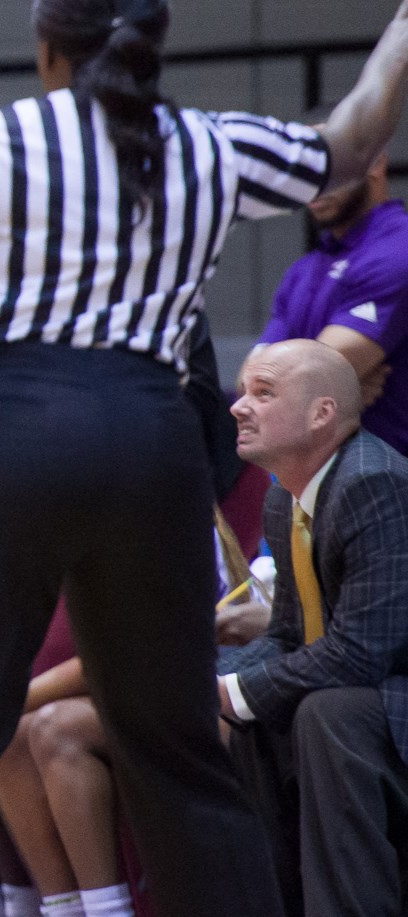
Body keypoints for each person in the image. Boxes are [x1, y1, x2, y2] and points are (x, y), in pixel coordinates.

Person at [0, 0, 408, 915]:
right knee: (176, 755)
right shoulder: (208, 142)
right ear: (153, 42)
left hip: (2, 426)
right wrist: (398, 30)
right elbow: (352, 142)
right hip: (149, 443)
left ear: (45, 48)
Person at [223, 339, 408, 917]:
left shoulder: (372, 482)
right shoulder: (286, 500)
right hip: (368, 687)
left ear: (321, 413)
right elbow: (284, 635)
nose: (238, 405)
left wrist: (237, 693)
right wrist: (217, 687)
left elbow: (361, 653)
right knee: (258, 715)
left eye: (264, 392)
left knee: (325, 711)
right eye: (244, 390)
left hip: (388, 692)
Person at [257, 147, 408, 454]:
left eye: (326, 164)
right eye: (305, 171)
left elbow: (305, 380)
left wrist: (310, 389)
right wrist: (336, 391)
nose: (314, 182)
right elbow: (254, 381)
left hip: (393, 478)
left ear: (375, 162)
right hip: (322, 477)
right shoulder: (303, 270)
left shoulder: (399, 248)